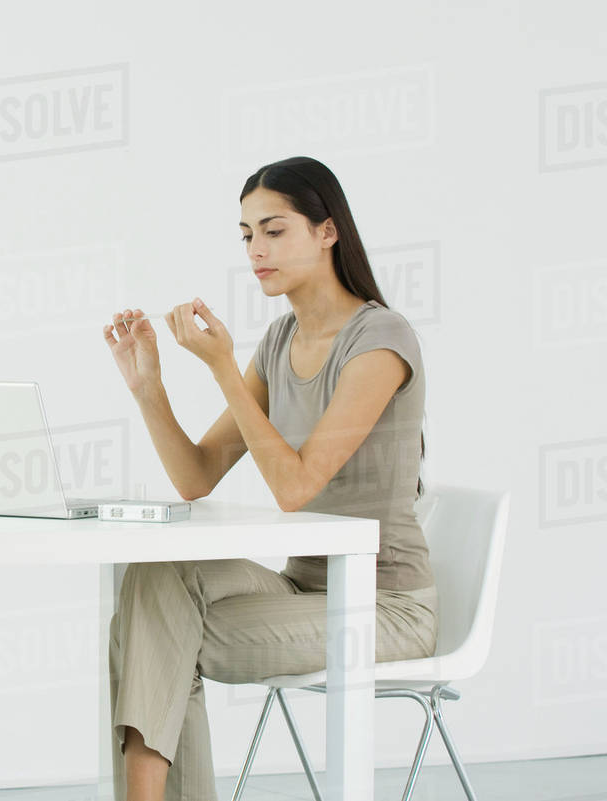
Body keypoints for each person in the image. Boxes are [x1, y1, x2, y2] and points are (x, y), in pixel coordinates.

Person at [101, 155, 439, 801]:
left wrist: (225, 367)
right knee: (154, 574)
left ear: (327, 231)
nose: (256, 249)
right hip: (306, 586)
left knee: (161, 634)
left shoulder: (379, 339)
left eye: (275, 229)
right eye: (247, 233)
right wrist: (150, 388)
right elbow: (197, 476)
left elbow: (295, 487)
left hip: (384, 606)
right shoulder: (282, 339)